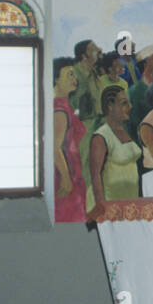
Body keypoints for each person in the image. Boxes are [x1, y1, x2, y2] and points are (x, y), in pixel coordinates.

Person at [88, 85, 141, 218]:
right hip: (110, 206)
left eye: (128, 103)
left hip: (130, 203)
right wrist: (102, 207)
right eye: (124, 103)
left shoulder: (129, 131)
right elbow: (95, 176)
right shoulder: (101, 137)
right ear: (110, 106)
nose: (130, 107)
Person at [52, 58, 87, 223]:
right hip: (64, 174)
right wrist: (65, 178)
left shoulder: (64, 105)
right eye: (69, 75)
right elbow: (54, 147)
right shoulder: (59, 109)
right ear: (56, 80)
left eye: (74, 74)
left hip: (71, 170)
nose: (74, 79)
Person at [69, 39, 103, 128]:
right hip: (84, 129)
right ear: (84, 56)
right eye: (94, 49)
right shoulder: (74, 75)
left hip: (98, 125)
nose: (99, 49)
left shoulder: (94, 73)